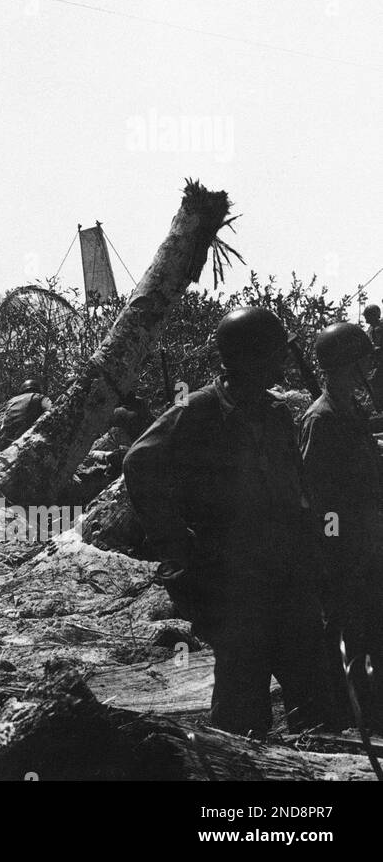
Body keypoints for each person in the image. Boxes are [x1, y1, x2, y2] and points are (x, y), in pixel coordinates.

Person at [123, 306, 328, 737]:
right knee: (242, 691)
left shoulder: (274, 413)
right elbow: (139, 462)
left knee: (310, 685)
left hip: (283, 570)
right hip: (230, 575)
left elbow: (295, 489)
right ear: (249, 357)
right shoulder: (196, 409)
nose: (282, 362)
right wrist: (176, 543)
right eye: (274, 352)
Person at [301, 322, 383, 727]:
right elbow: (321, 502)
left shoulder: (350, 412)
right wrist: (337, 553)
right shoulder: (323, 419)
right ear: (344, 366)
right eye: (360, 362)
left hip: (368, 547)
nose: (367, 370)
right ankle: (347, 723)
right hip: (347, 554)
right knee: (348, 639)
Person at [364, 304, 383, 407]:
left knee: (375, 380)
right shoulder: (371, 328)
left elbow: (378, 346)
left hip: (380, 361)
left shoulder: (379, 328)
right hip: (376, 361)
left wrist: (371, 349)